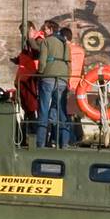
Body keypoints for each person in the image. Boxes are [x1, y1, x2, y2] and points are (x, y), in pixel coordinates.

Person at [29, 20, 70, 148]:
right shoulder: (65, 43)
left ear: (51, 30)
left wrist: (40, 73)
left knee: (43, 109)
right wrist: (67, 78)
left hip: (48, 78)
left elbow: (42, 60)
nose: (44, 31)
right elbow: (69, 62)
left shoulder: (46, 41)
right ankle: (64, 143)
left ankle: (40, 143)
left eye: (45, 29)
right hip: (63, 79)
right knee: (62, 110)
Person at [60, 26, 85, 146]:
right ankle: (79, 136)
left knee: (66, 113)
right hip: (77, 84)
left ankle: (71, 139)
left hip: (66, 84)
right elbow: (82, 68)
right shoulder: (80, 50)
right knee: (74, 113)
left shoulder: (65, 50)